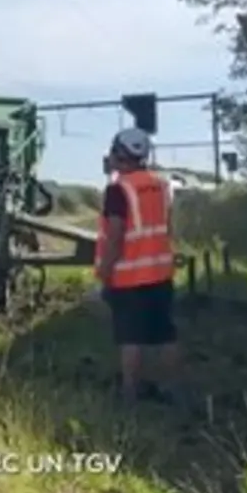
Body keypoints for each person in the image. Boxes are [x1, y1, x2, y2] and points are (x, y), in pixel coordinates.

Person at [95, 128, 178, 403]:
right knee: (165, 334)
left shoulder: (118, 190)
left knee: (130, 338)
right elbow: (167, 227)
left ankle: (129, 393)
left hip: (130, 277)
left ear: (120, 154)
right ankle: (170, 389)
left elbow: (116, 235)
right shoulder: (162, 185)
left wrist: (105, 271)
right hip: (161, 273)